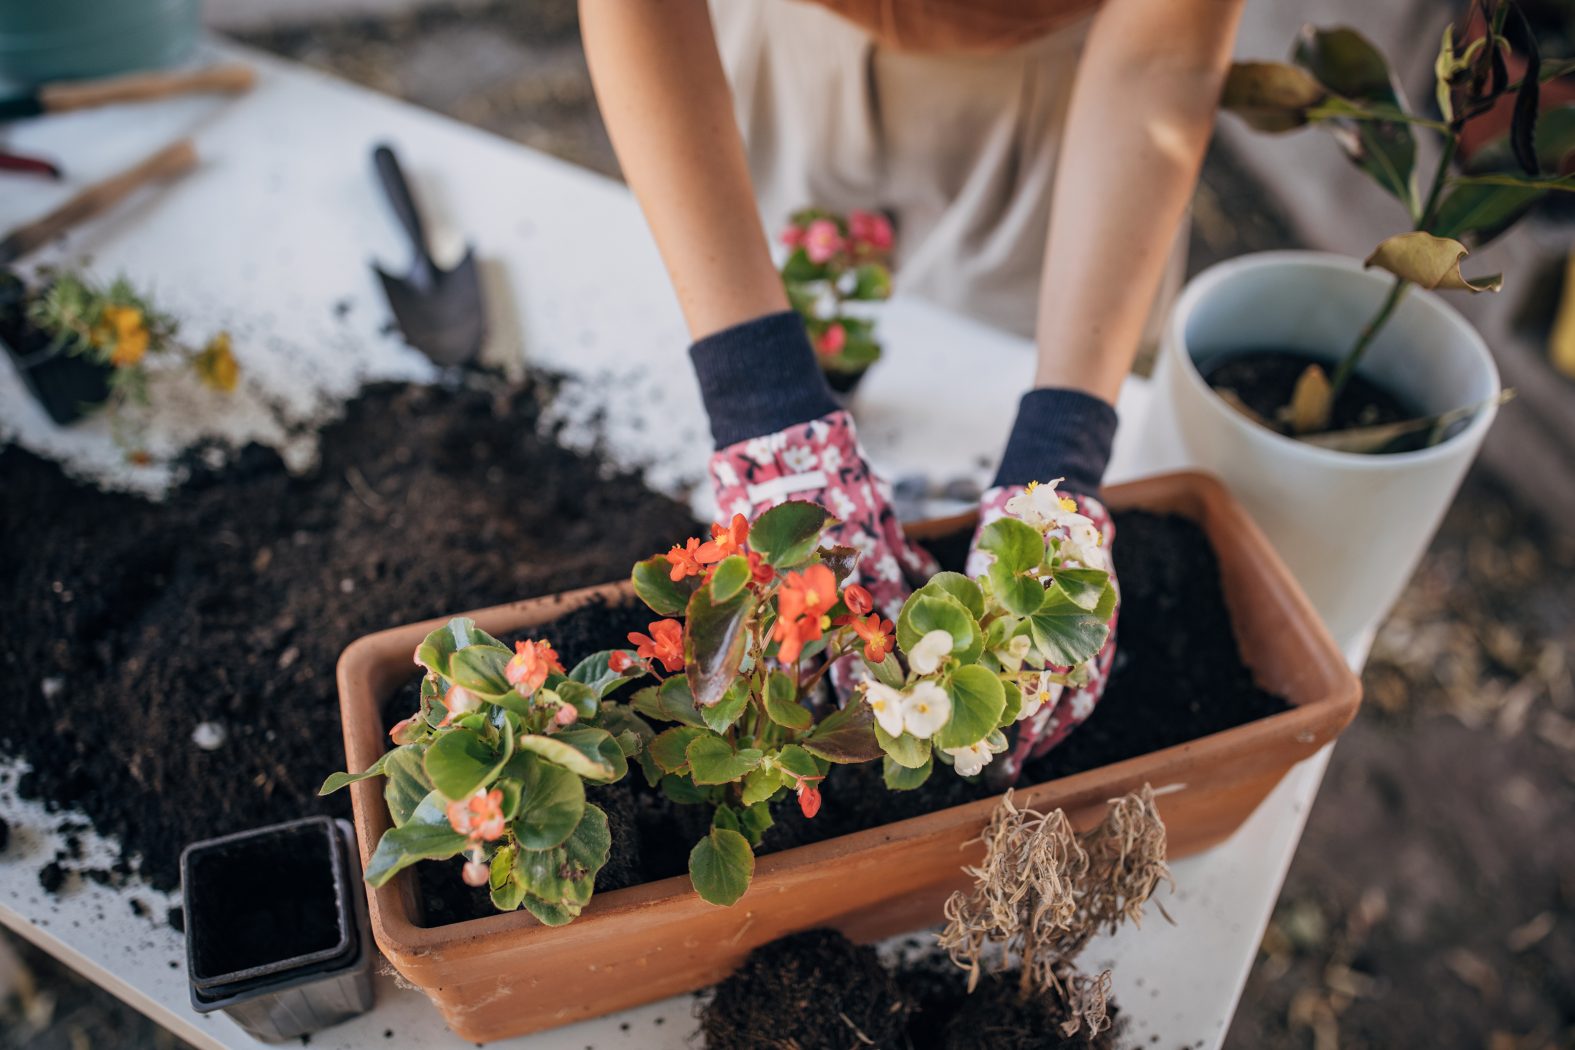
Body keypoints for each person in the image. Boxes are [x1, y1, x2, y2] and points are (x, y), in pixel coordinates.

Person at [578, 0, 1245, 776]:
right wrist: (762, 407)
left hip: (1072, 125)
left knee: (973, 367)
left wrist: (1064, 446)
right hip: (771, 59)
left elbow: (1163, 50)